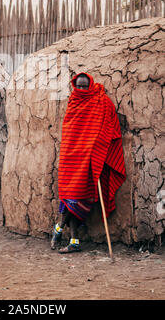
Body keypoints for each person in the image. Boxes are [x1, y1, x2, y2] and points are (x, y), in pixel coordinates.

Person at [51, 72, 126, 254]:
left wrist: (97, 146)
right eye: (80, 86)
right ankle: (73, 240)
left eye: (86, 86)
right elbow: (70, 131)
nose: (83, 89)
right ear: (75, 87)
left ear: (90, 85)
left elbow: (110, 126)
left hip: (89, 158)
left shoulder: (100, 101)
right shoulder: (73, 102)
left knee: (76, 197)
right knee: (70, 197)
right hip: (71, 158)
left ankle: (59, 229)